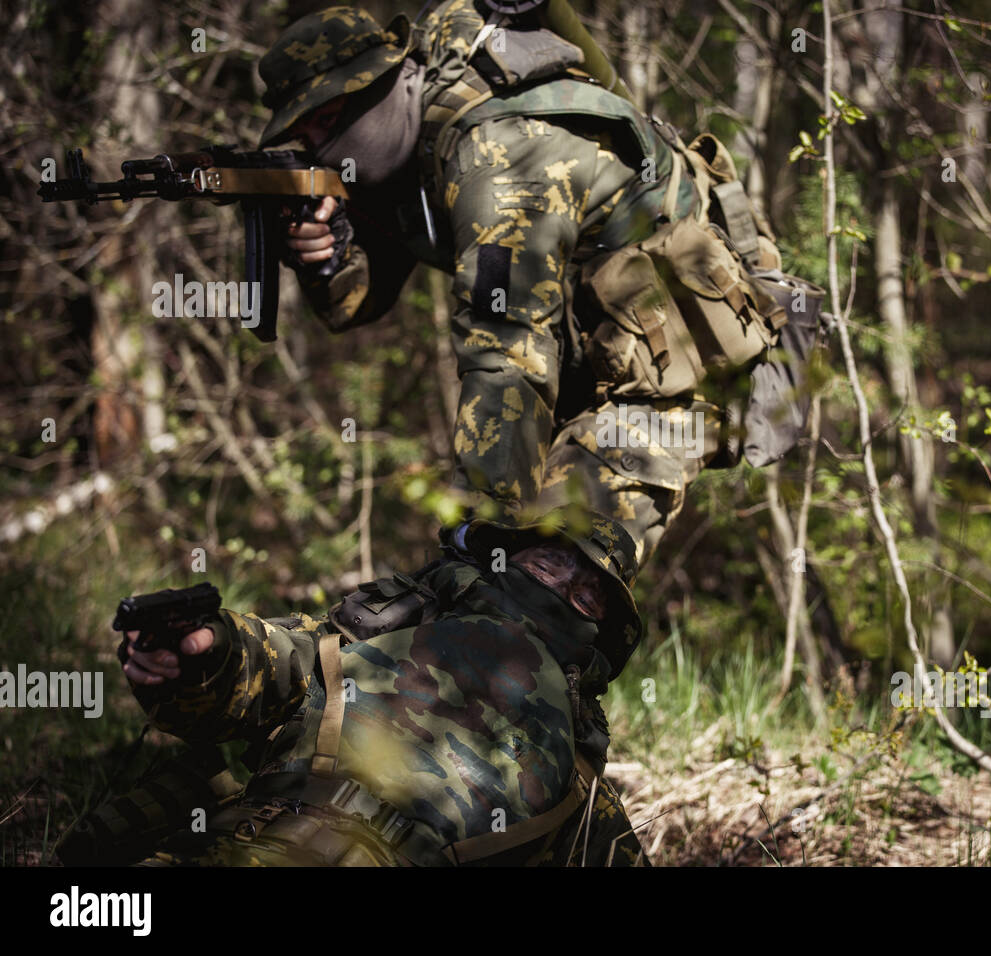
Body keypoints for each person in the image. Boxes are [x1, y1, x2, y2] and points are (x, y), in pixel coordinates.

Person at [261, 0, 789, 564]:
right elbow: (355, 304)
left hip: (692, 375)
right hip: (606, 369)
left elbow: (506, 350)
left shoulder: (497, 160)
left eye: (326, 117)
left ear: (385, 81)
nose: (318, 145)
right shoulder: (416, 149)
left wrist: (485, 526)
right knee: (501, 592)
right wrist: (326, 253)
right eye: (303, 130)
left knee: (543, 583)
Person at [107, 510, 647, 866]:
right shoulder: (387, 623)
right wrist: (203, 652)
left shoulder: (578, 771)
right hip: (254, 845)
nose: (558, 587)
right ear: (506, 556)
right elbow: (273, 661)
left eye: (587, 596)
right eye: (550, 562)